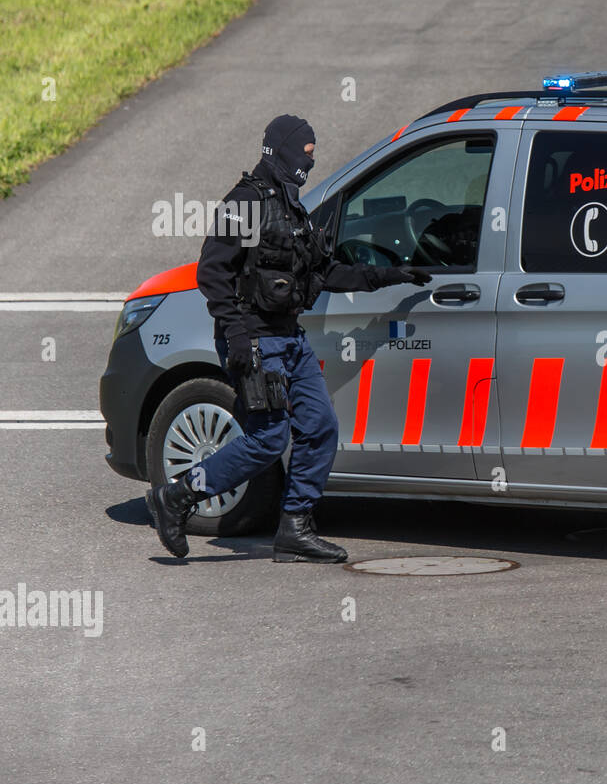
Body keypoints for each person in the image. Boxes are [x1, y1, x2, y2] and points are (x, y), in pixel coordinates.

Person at [145, 114, 431, 563]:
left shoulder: (292, 207)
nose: (310, 162)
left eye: (313, 154)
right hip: (256, 340)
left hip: (290, 339)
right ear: (281, 150)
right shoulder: (246, 203)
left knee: (320, 427)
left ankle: (295, 528)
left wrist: (391, 275)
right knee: (268, 438)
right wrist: (236, 335)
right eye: (305, 153)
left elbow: (324, 272)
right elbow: (212, 273)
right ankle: (177, 496)